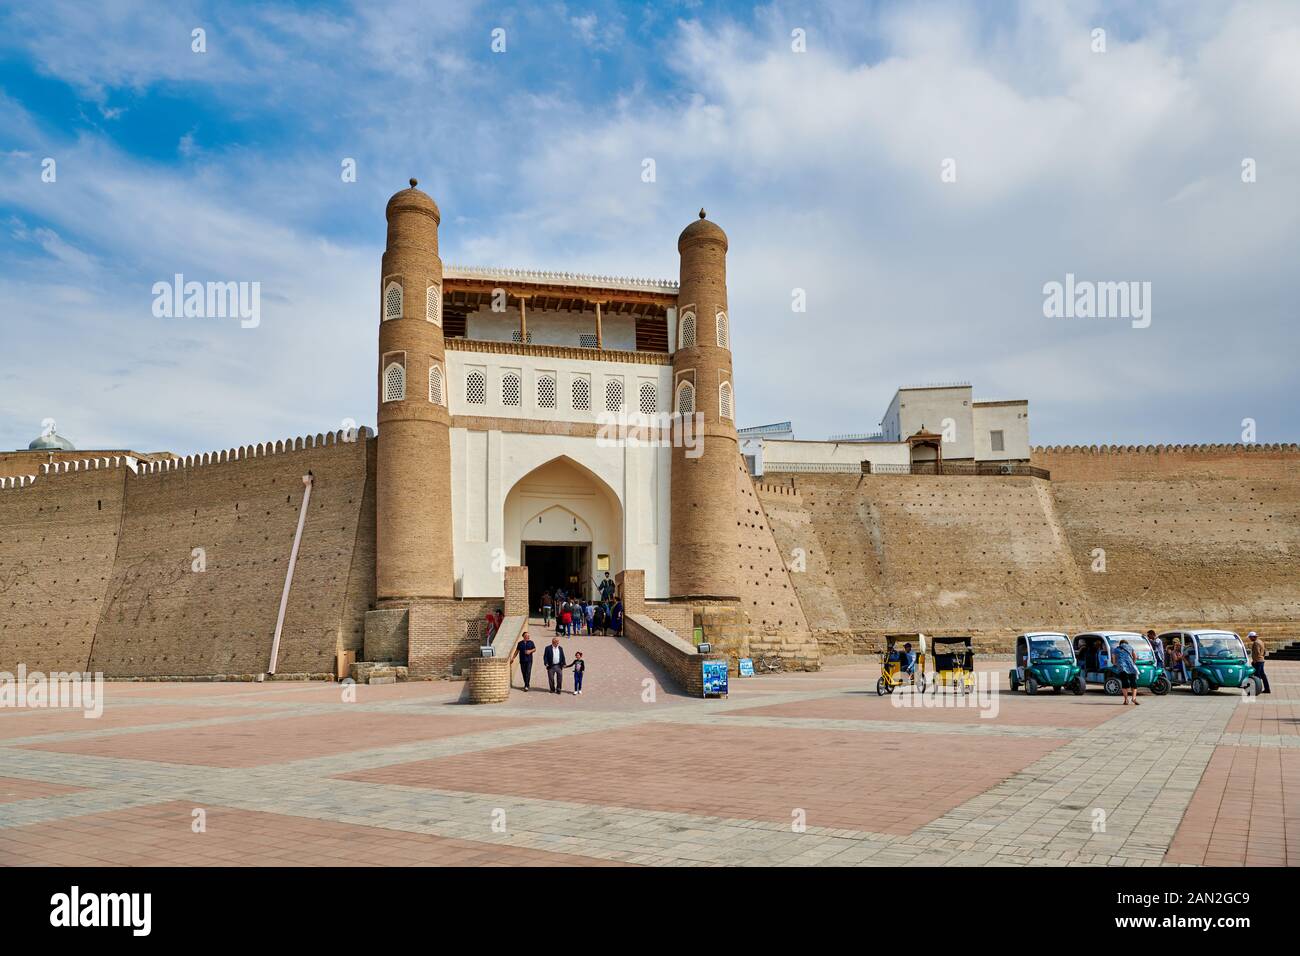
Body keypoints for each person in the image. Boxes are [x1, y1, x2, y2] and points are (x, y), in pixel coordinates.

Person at [1113, 639, 1140, 705]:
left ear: (1120, 644)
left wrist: (1116, 664)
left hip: (1122, 668)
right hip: (1131, 668)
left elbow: (1113, 659)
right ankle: (1133, 698)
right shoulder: (1130, 647)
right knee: (1133, 683)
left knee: (1124, 683)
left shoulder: (1116, 649)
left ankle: (1126, 700)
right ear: (1127, 643)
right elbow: (1135, 656)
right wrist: (1133, 663)